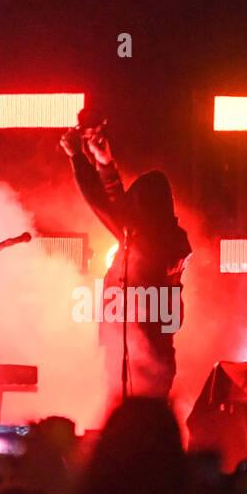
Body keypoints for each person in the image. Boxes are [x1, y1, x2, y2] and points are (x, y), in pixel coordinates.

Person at [61, 116, 191, 400]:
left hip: (137, 349)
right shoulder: (167, 237)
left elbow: (102, 203)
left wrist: (79, 158)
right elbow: (117, 205)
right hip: (149, 347)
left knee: (131, 419)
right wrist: (105, 163)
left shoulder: (149, 240)